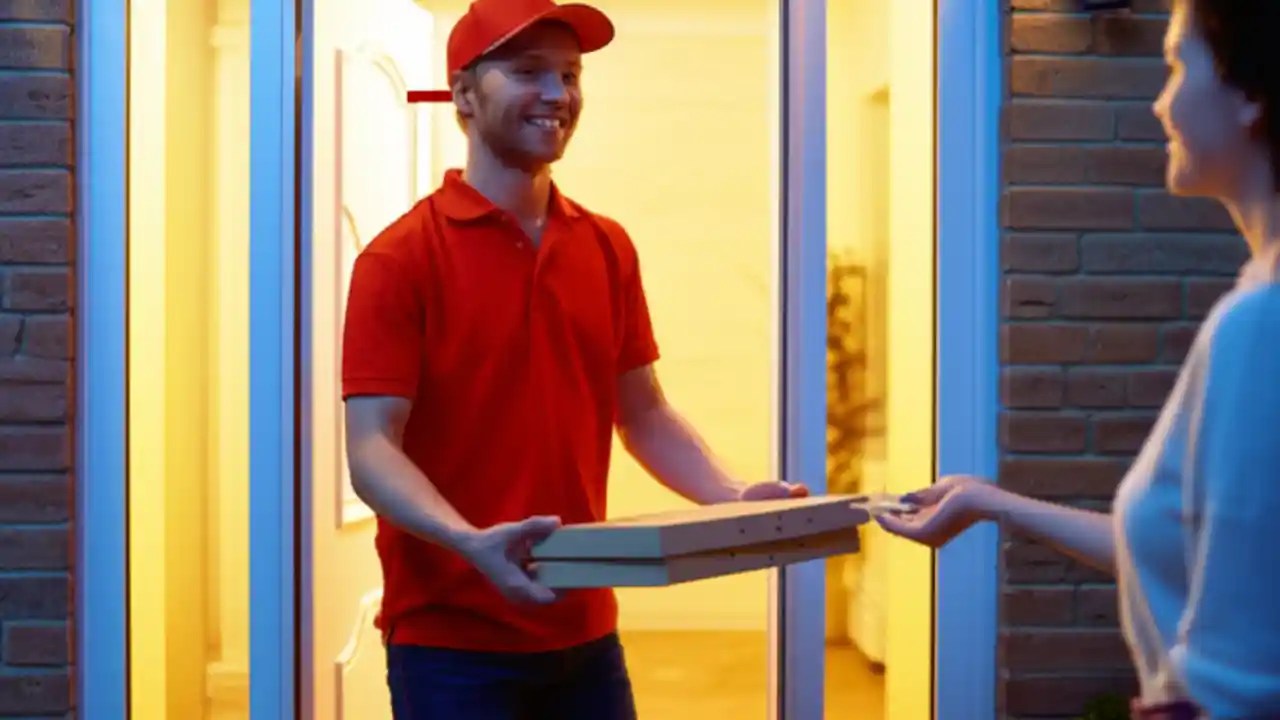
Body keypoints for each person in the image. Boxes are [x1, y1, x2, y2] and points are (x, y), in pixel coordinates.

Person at [340, 1, 807, 718]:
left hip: (585, 633)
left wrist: (733, 497)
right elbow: (372, 448)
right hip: (451, 644)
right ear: (464, 94)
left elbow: (643, 412)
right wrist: (469, 542)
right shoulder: (399, 260)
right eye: (529, 72)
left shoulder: (605, 246)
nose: (557, 94)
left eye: (569, 74)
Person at [878, 0, 1280, 717]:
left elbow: (1235, 686)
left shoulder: (1259, 327)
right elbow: (1185, 560)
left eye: (1175, 67)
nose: (1158, 104)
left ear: (1250, 93)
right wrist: (989, 502)